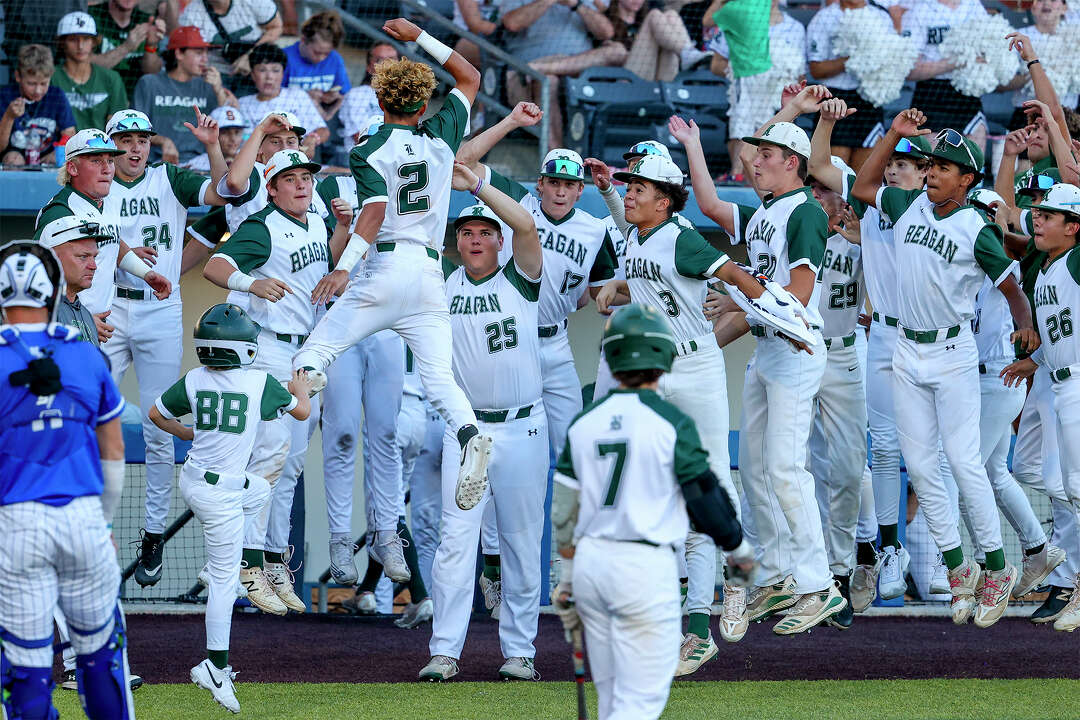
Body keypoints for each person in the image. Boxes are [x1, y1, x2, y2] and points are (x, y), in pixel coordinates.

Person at [290, 19, 495, 517]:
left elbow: (376, 211)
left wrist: (343, 267)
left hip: (383, 268)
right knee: (441, 382)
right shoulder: (442, 137)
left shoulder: (366, 146)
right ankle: (471, 435)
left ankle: (294, 412)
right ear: (424, 106)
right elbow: (469, 77)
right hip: (428, 276)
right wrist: (419, 38)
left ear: (380, 102)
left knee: (314, 354)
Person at [669, 83, 847, 636]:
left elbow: (797, 292)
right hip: (767, 350)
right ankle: (776, 573)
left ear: (793, 163)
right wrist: (696, 149)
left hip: (795, 348)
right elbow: (707, 203)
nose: (754, 162)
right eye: (756, 154)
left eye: (766, 155)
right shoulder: (762, 211)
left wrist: (743, 295)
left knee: (787, 469)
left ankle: (820, 586)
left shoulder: (804, 213)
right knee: (756, 467)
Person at [851, 110, 1039, 627]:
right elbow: (866, 183)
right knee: (922, 465)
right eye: (931, 164)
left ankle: (997, 568)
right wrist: (893, 136)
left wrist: (1025, 324)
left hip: (954, 352)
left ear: (967, 180)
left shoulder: (975, 227)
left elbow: (1012, 290)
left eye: (945, 167)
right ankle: (959, 569)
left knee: (962, 461)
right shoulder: (908, 204)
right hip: (906, 351)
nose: (933, 172)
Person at [550, 303, 741, 720]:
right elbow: (707, 503)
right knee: (640, 703)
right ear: (663, 356)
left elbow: (564, 515)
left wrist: (566, 579)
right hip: (644, 568)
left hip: (592, 568)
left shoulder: (584, 422)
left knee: (614, 696)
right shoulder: (671, 421)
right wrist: (737, 548)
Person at [203, 149, 352, 615]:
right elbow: (215, 266)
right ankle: (246, 562)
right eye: (290, 179)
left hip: (303, 349)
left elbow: (320, 258)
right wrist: (249, 285)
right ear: (272, 187)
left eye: (306, 176)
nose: (302, 185)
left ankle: (271, 561)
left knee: (288, 466)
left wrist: (344, 232)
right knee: (265, 461)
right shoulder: (262, 226)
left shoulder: (313, 219)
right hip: (268, 349)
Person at [419, 162, 547, 682]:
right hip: (466, 431)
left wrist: (478, 187)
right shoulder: (440, 287)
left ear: (497, 240)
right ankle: (445, 651)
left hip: (523, 427)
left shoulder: (520, 276)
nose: (475, 239)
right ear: (456, 242)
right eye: (467, 232)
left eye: (484, 232)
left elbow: (528, 228)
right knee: (455, 542)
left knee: (520, 540)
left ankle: (520, 652)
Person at [149, 303, 311, 713]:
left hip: (194, 481)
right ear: (243, 348)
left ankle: (220, 567)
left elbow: (154, 413)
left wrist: (186, 431)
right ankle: (215, 668)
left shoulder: (194, 378)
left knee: (259, 490)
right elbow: (302, 410)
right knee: (224, 586)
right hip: (218, 498)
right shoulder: (258, 382)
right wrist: (303, 389)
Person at [0, 240, 136, 720]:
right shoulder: (82, 352)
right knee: (101, 659)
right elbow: (114, 448)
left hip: (15, 524)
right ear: (53, 289)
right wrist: (103, 522)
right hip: (82, 518)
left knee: (27, 670)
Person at [808, 96, 931, 609]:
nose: (899, 170)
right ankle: (886, 549)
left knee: (934, 458)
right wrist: (832, 123)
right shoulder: (871, 202)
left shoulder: (938, 210)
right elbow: (820, 167)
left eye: (911, 164)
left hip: (934, 339)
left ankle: (953, 558)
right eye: (895, 163)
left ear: (931, 175)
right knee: (878, 450)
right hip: (880, 334)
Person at [101, 108, 230, 588]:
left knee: (159, 424)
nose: (135, 148)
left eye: (143, 139)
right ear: (110, 144)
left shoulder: (168, 177)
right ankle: (96, 525)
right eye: (126, 139)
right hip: (109, 307)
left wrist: (214, 147)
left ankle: (153, 533)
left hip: (158, 308)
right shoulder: (97, 182)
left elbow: (224, 193)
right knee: (91, 417)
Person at [457, 105, 617, 459]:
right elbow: (463, 162)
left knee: (573, 449)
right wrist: (512, 122)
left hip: (556, 342)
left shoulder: (595, 230)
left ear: (580, 190)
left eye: (569, 185)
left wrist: (592, 296)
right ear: (540, 183)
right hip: (512, 336)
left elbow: (595, 293)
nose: (560, 192)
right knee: (503, 440)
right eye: (554, 183)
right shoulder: (518, 201)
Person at [1002, 182, 1080, 632]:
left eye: (1050, 216)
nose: (1039, 219)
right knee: (1068, 486)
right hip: (1060, 381)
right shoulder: (1046, 268)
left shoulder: (1075, 259)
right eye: (1039, 213)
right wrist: (1033, 360)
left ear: (1073, 227)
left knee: (1075, 486)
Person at [802, 153, 864, 630]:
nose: (815, 194)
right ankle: (806, 577)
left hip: (843, 355)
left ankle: (841, 570)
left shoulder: (866, 241)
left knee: (846, 470)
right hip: (799, 352)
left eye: (823, 187)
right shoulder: (792, 231)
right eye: (810, 187)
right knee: (793, 467)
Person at [34, 128, 172, 330]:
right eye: (96, 161)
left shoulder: (106, 201)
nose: (107, 169)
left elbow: (113, 243)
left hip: (96, 322)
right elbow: (41, 277)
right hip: (67, 327)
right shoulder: (60, 213)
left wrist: (146, 274)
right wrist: (79, 321)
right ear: (72, 168)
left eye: (110, 161)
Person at [707, 0, 805, 183]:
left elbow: (800, 74)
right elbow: (716, 65)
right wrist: (748, 70)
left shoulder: (796, 28)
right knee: (742, 132)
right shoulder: (737, 17)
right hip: (745, 96)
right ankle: (738, 176)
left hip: (779, 104)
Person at [501, 0, 613, 148]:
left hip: (576, 68)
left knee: (616, 50)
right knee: (549, 81)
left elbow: (607, 33)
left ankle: (542, 68)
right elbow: (512, 23)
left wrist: (576, 5)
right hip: (530, 71)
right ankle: (557, 160)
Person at [805, 0, 893, 169]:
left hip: (869, 101)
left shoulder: (881, 16)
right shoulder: (824, 17)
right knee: (833, 174)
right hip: (834, 99)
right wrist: (854, 58)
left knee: (863, 176)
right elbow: (816, 69)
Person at [134, 25, 233, 164]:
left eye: (206, 53)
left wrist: (218, 90)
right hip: (157, 161)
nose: (205, 59)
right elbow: (135, 127)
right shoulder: (149, 83)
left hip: (201, 163)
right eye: (199, 53)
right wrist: (163, 141)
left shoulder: (209, 85)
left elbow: (229, 124)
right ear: (179, 53)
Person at [901, 0, 991, 152]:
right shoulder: (919, 10)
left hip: (968, 95)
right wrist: (955, 61)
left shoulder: (974, 6)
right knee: (932, 166)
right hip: (932, 94)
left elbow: (990, 51)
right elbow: (909, 70)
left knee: (973, 165)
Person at [237, 44, 329, 158]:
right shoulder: (243, 104)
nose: (269, 76)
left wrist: (313, 139)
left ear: (283, 73)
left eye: (275, 70)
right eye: (262, 70)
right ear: (253, 75)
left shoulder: (297, 96)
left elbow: (324, 130)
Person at [1002, 0, 1076, 132]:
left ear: (1064, 7)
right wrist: (1036, 74)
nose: (1047, 3)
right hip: (1027, 117)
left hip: (1069, 117)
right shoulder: (1018, 36)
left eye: (1053, 0)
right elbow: (1000, 85)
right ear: (1032, 7)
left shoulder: (1076, 36)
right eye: (1040, 0)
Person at [0, 44, 76, 166]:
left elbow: (69, 134)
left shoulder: (56, 95)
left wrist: (55, 154)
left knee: (60, 158)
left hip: (47, 154)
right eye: (31, 83)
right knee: (13, 160)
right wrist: (9, 117)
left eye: (43, 83)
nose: (38, 90)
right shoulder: (5, 96)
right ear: (18, 76)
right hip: (16, 154)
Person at [53, 11, 129, 132]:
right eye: (73, 39)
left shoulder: (111, 78)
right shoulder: (50, 77)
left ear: (94, 42)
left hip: (102, 148)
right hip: (61, 148)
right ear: (62, 42)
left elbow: (116, 126)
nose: (80, 46)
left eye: (86, 39)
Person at [178, 0, 283, 82]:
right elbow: (187, 52)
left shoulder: (254, 1)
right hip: (214, 73)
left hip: (253, 70)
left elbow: (276, 27)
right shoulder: (190, 14)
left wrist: (250, 56)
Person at [283, 10, 350, 125]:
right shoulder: (285, 58)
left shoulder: (335, 59)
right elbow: (274, 95)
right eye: (317, 52)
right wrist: (305, 96)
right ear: (303, 40)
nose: (322, 58)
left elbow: (345, 92)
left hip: (324, 121)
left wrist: (332, 97)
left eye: (326, 53)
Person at [88, 0, 165, 96]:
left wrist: (151, 46)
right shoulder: (91, 16)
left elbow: (152, 72)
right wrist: (126, 47)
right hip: (97, 95)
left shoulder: (146, 20)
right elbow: (85, 66)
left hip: (136, 98)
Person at [184, 105, 247, 171]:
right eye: (225, 133)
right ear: (211, 132)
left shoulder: (250, 159)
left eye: (237, 132)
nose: (233, 139)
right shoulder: (198, 164)